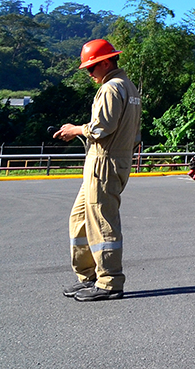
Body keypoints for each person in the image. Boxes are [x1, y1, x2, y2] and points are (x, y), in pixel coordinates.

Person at [53, 39, 142, 302]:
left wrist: (75, 129)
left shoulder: (111, 88)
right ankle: (88, 277)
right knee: (79, 219)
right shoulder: (129, 87)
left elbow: (101, 128)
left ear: (106, 62)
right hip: (111, 159)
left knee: (102, 223)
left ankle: (109, 282)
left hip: (104, 162)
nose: (90, 74)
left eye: (91, 68)